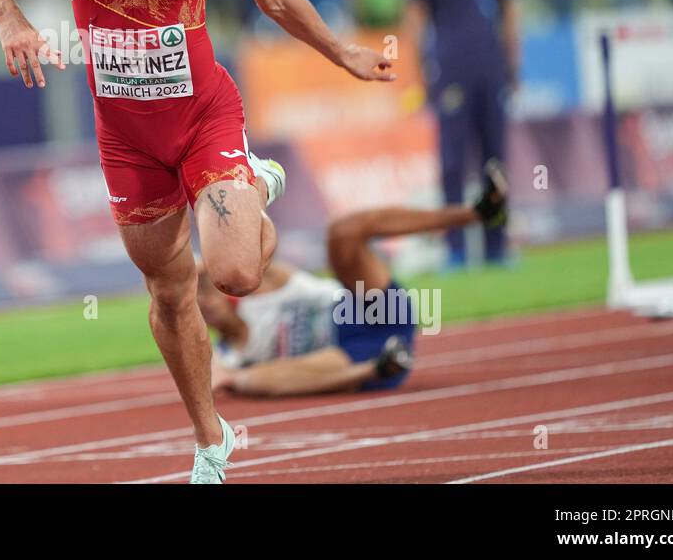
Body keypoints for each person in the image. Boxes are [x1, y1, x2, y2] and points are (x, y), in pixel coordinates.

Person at [0, 0, 395, 483]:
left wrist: (343, 53)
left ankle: (254, 183)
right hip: (127, 142)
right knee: (168, 293)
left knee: (235, 276)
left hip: (202, 121)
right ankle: (209, 439)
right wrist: (9, 17)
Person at [203, 162, 508, 397]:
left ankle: (478, 212)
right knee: (249, 380)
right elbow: (247, 378)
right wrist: (231, 378)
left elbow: (236, 254)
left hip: (368, 303)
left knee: (342, 228)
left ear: (224, 289)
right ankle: (375, 370)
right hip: (356, 360)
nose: (204, 305)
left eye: (205, 295)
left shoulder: (261, 287)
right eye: (198, 307)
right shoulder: (232, 356)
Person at [403, 0, 519, 268]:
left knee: (494, 162)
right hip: (451, 71)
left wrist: (513, 67)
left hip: (491, 69)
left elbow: (510, 13)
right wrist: (418, 74)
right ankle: (454, 248)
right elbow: (415, 20)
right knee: (452, 163)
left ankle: (497, 245)